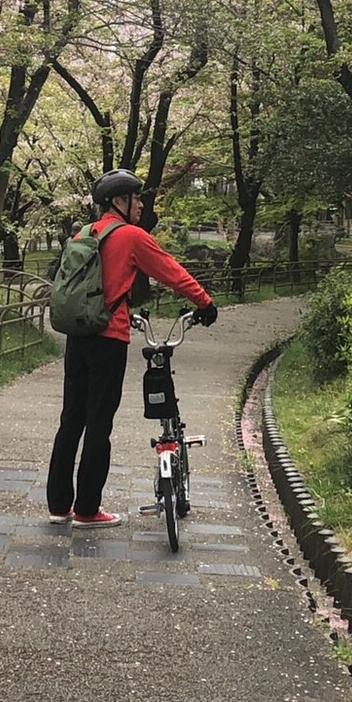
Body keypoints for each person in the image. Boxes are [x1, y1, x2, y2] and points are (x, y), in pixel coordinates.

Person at [45, 168, 218, 528]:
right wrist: (205, 303)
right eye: (135, 198)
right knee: (98, 423)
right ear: (118, 202)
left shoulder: (83, 233)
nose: (140, 205)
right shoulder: (131, 237)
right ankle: (88, 510)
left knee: (71, 419)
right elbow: (172, 271)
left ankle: (59, 505)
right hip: (109, 338)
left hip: (77, 337)